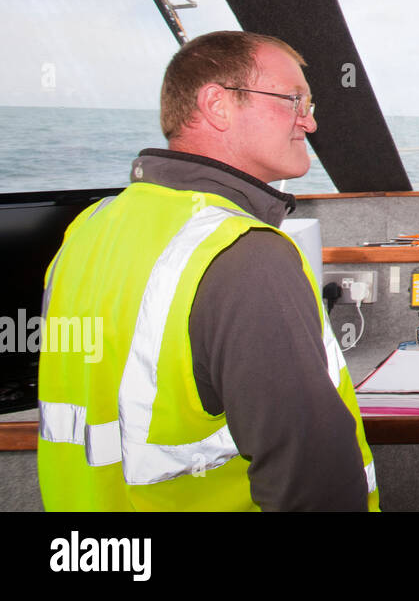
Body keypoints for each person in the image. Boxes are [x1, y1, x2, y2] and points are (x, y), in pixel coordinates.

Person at [38, 31, 379, 511]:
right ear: (217, 105)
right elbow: (312, 480)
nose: (311, 121)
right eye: (293, 100)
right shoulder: (245, 253)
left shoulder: (87, 230)